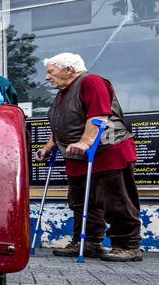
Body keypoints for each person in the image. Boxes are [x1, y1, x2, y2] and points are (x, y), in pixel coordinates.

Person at [35, 52, 142, 262]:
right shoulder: (62, 93)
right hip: (77, 157)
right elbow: (60, 125)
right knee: (81, 202)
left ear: (69, 70)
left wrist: (85, 142)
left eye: (51, 72)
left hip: (106, 151)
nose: (47, 77)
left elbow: (98, 116)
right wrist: (47, 147)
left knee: (116, 201)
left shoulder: (91, 82)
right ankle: (88, 242)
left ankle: (127, 245)